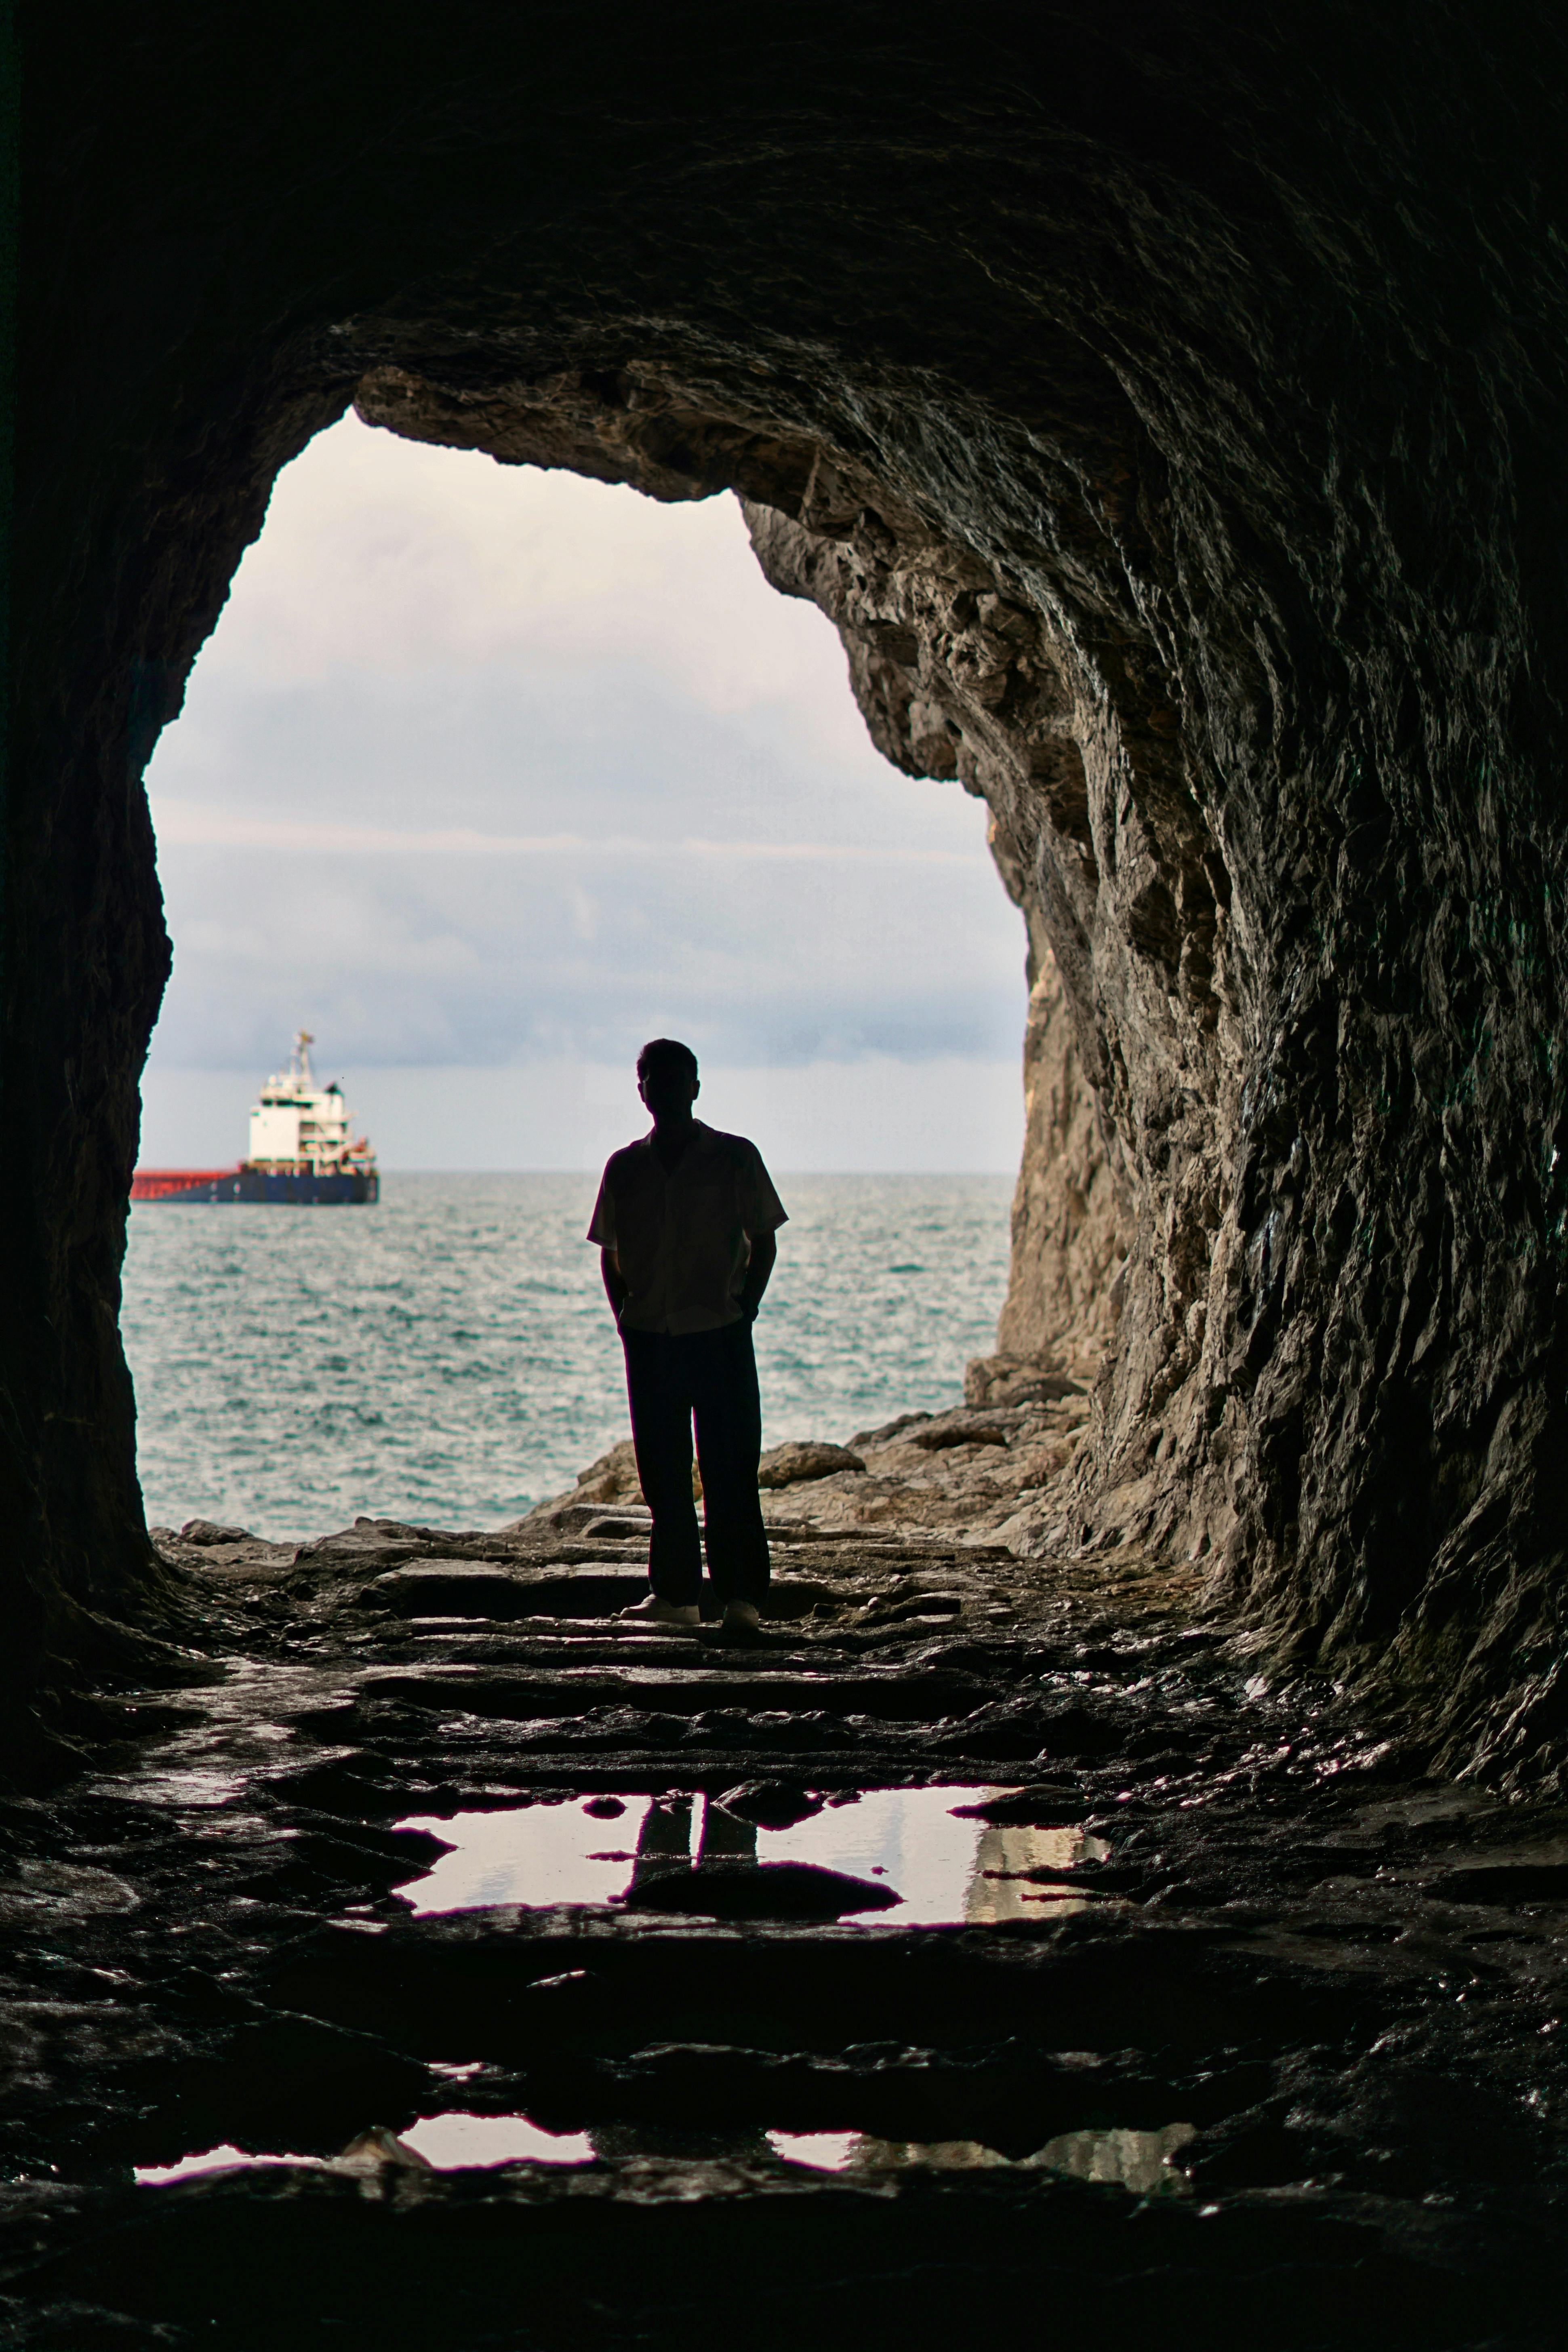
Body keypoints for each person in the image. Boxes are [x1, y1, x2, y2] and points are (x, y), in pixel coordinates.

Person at [587, 1038, 786, 1638]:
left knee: (731, 1471)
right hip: (650, 1337)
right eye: (653, 1078)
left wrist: (745, 1306)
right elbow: (610, 1251)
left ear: (695, 1087)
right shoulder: (624, 1167)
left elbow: (765, 1239)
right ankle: (673, 1594)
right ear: (640, 1087)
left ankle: (742, 1600)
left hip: (721, 1333)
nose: (665, 1089)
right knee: (662, 1473)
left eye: (676, 1079)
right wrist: (624, 1317)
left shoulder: (734, 1157)